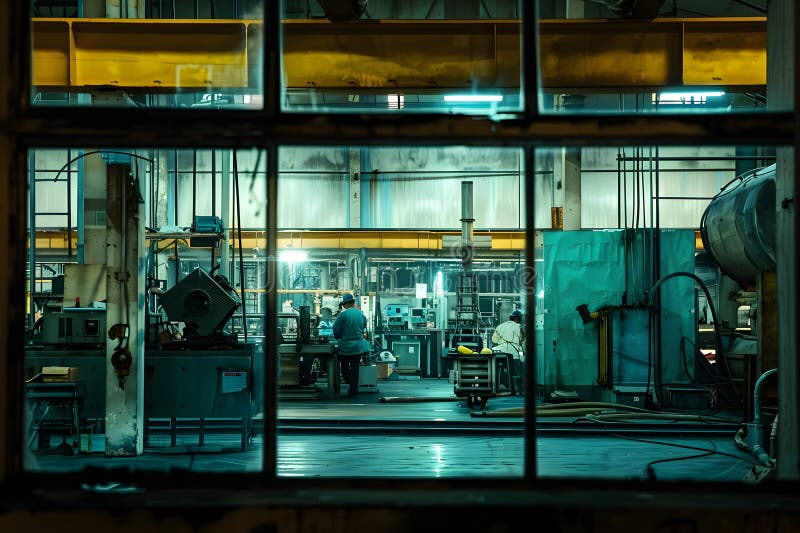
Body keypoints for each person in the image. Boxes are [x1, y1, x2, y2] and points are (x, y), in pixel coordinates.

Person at [332, 293, 370, 398]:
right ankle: (354, 389)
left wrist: (339, 337)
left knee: (344, 368)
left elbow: (336, 331)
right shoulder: (361, 315)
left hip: (345, 347)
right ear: (353, 303)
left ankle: (348, 380)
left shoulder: (343, 315)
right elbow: (363, 329)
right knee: (355, 369)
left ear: (346, 304)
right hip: (358, 347)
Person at [492, 309, 525, 394]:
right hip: (513, 353)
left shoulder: (500, 326)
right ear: (517, 319)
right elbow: (521, 339)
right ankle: (517, 390)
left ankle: (497, 387)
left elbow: (494, 340)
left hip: (500, 352)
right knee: (517, 370)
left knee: (500, 369)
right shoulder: (518, 327)